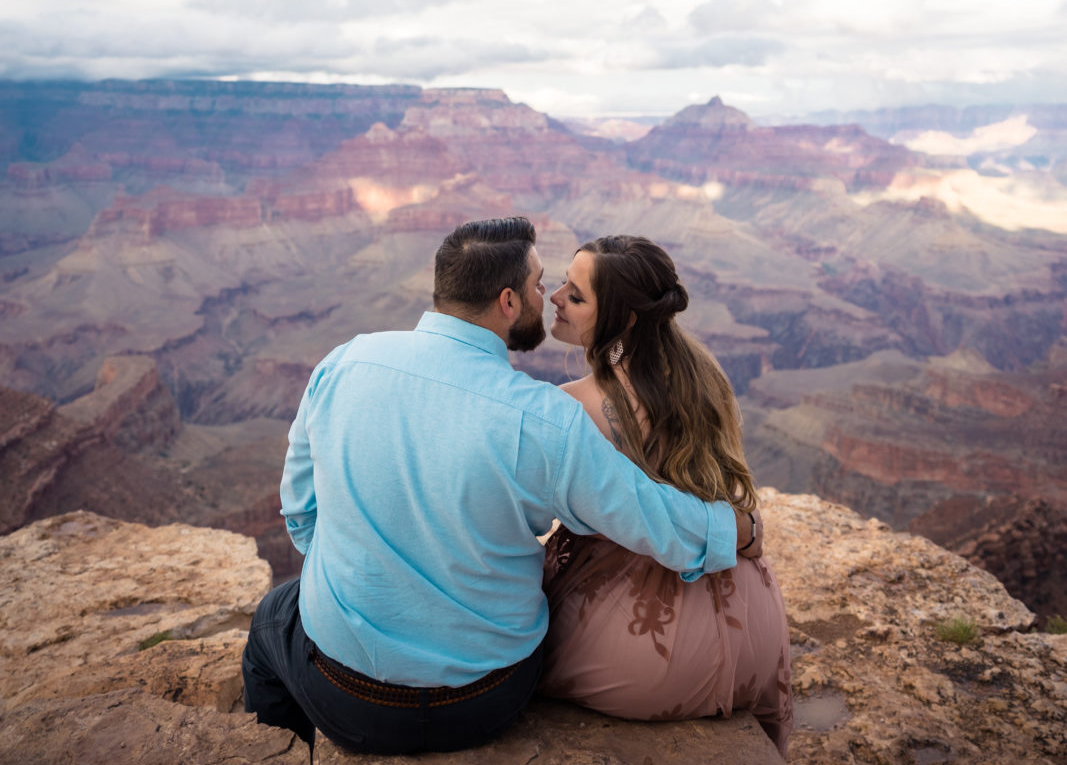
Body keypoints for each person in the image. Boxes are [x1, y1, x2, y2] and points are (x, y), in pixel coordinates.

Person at [242, 216, 759, 757]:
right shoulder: (543, 420)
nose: (549, 297)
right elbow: (650, 517)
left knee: (270, 623)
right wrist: (738, 528)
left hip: (344, 696)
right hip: (484, 700)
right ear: (508, 302)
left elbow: (300, 510)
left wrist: (360, 575)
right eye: (539, 284)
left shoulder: (343, 362)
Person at [540, 235, 793, 757]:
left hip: (637, 651)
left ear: (625, 318)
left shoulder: (565, 408)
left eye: (576, 295)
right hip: (752, 626)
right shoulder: (703, 375)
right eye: (563, 282)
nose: (555, 296)